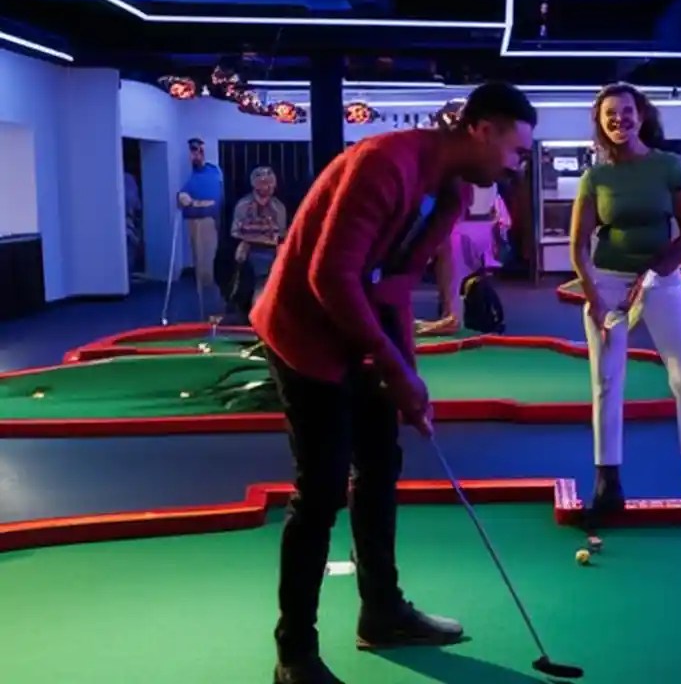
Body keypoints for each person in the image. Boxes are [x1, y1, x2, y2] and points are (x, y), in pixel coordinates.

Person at [250, 82, 536, 684]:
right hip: (303, 331)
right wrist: (390, 364)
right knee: (322, 487)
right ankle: (294, 651)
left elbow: (394, 287)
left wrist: (408, 374)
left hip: (359, 327)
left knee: (380, 466)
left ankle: (381, 611)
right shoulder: (386, 163)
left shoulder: (452, 194)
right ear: (481, 129)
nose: (518, 165)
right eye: (516, 151)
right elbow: (331, 276)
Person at [570, 81, 681, 513]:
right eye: (610, 114)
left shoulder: (668, 165)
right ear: (600, 123)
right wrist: (595, 299)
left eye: (626, 112)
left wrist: (652, 274)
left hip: (662, 280)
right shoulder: (596, 177)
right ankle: (607, 480)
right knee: (606, 381)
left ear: (641, 115)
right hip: (608, 284)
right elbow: (579, 246)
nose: (619, 120)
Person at [417, 182, 512, 335]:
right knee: (464, 277)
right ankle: (453, 315)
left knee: (449, 250)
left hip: (465, 230)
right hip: (483, 229)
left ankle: (451, 316)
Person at [228, 166, 289, 319]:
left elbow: (280, 234)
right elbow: (235, 232)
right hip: (249, 250)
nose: (267, 186)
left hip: (271, 251)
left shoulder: (278, 207)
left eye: (269, 183)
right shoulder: (243, 205)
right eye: (263, 183)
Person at [176, 137, 223, 321]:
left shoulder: (212, 173)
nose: (195, 155)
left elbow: (213, 202)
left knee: (208, 270)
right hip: (195, 223)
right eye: (192, 151)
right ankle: (206, 312)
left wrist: (194, 202)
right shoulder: (193, 177)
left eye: (198, 151)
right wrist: (182, 197)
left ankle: (214, 311)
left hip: (208, 222)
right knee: (201, 270)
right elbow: (184, 197)